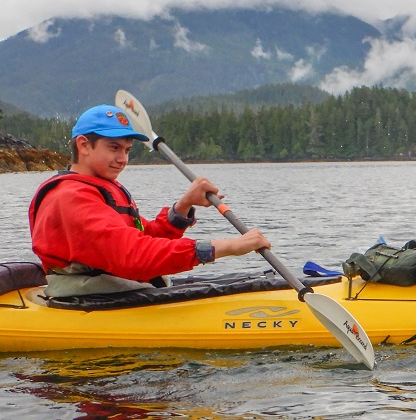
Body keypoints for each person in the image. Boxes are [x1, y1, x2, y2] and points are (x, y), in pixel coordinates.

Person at [29, 104, 271, 297]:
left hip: (114, 289)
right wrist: (225, 247)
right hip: (89, 297)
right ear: (84, 145)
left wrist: (183, 206)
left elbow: (144, 238)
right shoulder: (70, 197)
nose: (122, 159)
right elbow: (135, 256)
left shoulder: (100, 187)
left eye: (127, 150)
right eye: (114, 148)